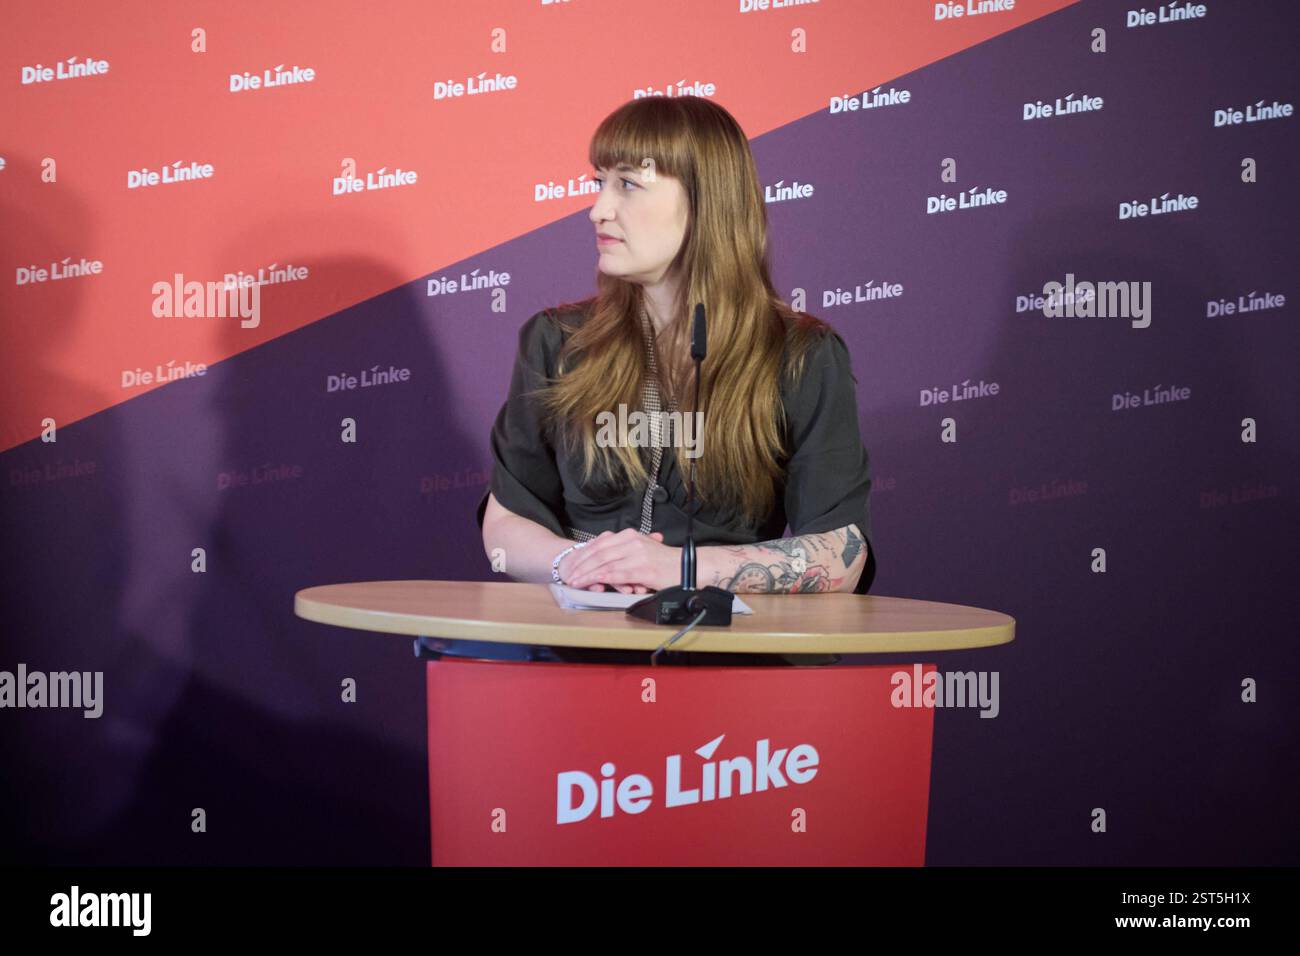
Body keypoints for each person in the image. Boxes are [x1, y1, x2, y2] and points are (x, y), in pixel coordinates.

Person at [477, 95, 875, 600]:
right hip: (577, 644)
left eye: (628, 185)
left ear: (705, 201)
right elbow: (508, 517)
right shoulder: (555, 340)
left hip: (728, 650)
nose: (598, 209)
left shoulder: (802, 355)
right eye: (599, 183)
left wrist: (681, 568)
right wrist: (573, 563)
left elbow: (843, 553)